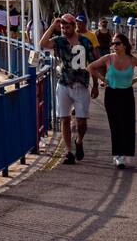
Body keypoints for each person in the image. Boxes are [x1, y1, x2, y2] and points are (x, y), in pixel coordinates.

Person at [88, 34, 137, 168]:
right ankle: (118, 154)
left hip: (127, 93)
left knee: (127, 124)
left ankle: (124, 152)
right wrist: (103, 79)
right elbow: (91, 67)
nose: (114, 46)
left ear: (124, 45)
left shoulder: (132, 60)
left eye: (117, 43)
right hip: (112, 93)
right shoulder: (108, 58)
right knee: (115, 124)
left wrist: (135, 80)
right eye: (113, 44)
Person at [41, 14, 96, 164]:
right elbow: (43, 43)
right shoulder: (59, 41)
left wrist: (96, 84)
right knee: (64, 119)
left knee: (81, 122)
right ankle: (68, 152)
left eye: (67, 27)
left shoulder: (85, 42)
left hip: (81, 84)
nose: (65, 30)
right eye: (63, 27)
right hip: (64, 83)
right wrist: (53, 26)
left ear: (74, 26)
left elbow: (93, 63)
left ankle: (79, 141)